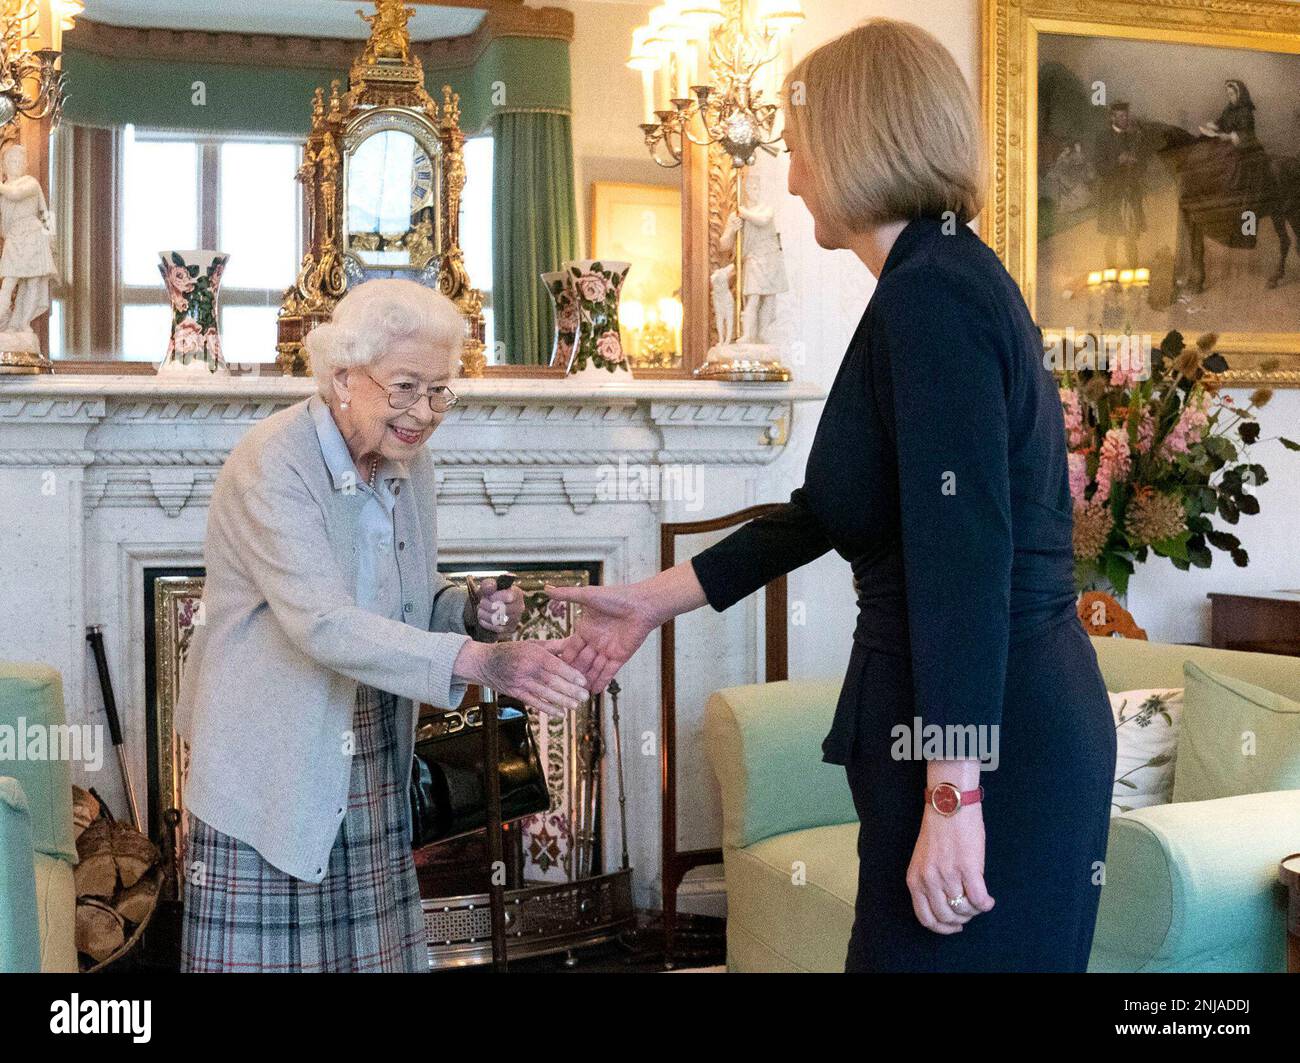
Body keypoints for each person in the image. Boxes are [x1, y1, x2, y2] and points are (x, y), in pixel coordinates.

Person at [547, 18, 1116, 973]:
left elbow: (963, 553)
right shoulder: (927, 278)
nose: (795, 170)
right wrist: (651, 599)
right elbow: (829, 510)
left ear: (859, 136)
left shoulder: (932, 291)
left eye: (800, 140)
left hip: (996, 742)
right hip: (977, 730)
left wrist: (954, 793)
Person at [175, 278, 588, 972]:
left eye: (439, 390)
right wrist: (480, 662)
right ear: (342, 377)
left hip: (367, 748)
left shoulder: (407, 464)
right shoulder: (272, 463)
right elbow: (325, 624)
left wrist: (467, 607)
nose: (423, 412)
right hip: (272, 759)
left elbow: (407, 594)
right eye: (403, 387)